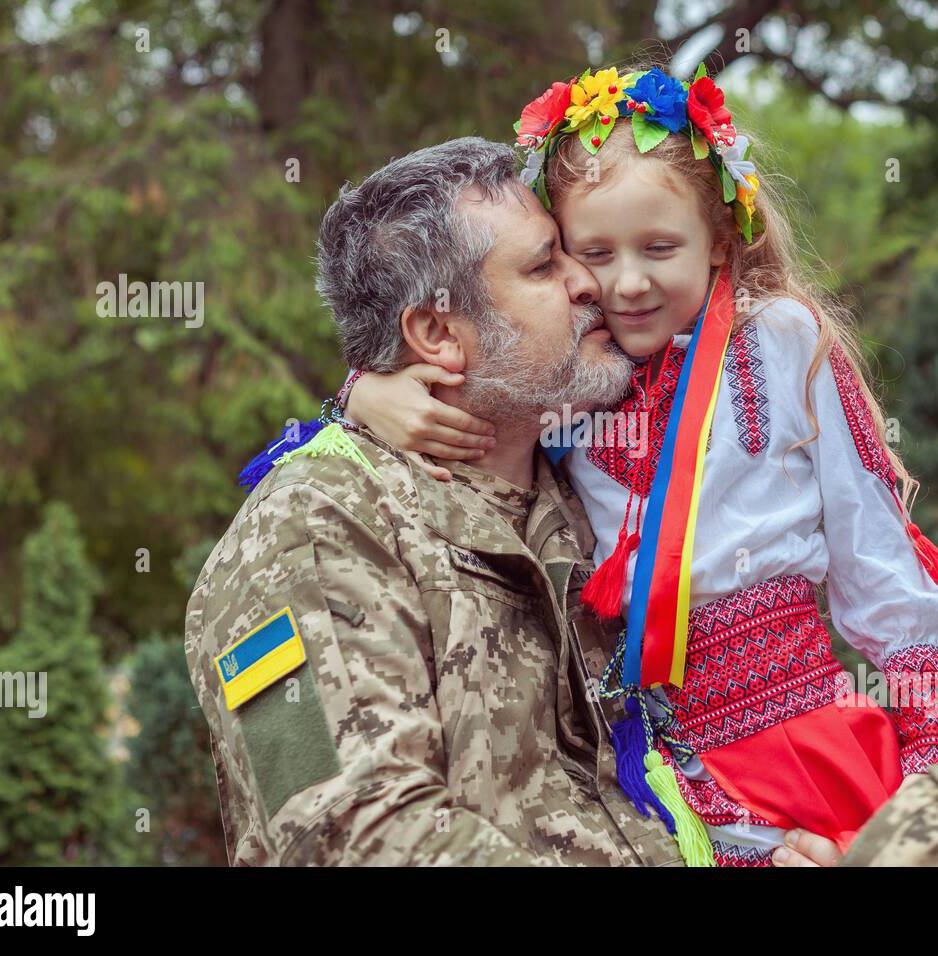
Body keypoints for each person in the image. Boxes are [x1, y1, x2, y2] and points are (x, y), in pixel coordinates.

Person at [341, 62, 938, 867]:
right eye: (594, 253)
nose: (629, 282)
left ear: (718, 238)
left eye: (660, 247)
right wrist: (364, 392)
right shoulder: (573, 368)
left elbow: (877, 561)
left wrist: (929, 764)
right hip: (653, 773)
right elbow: (460, 371)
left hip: (807, 743)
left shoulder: (781, 342)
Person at [186, 136, 698, 865]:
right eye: (543, 265)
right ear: (435, 333)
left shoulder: (601, 494)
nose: (588, 281)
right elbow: (350, 836)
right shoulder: (310, 528)